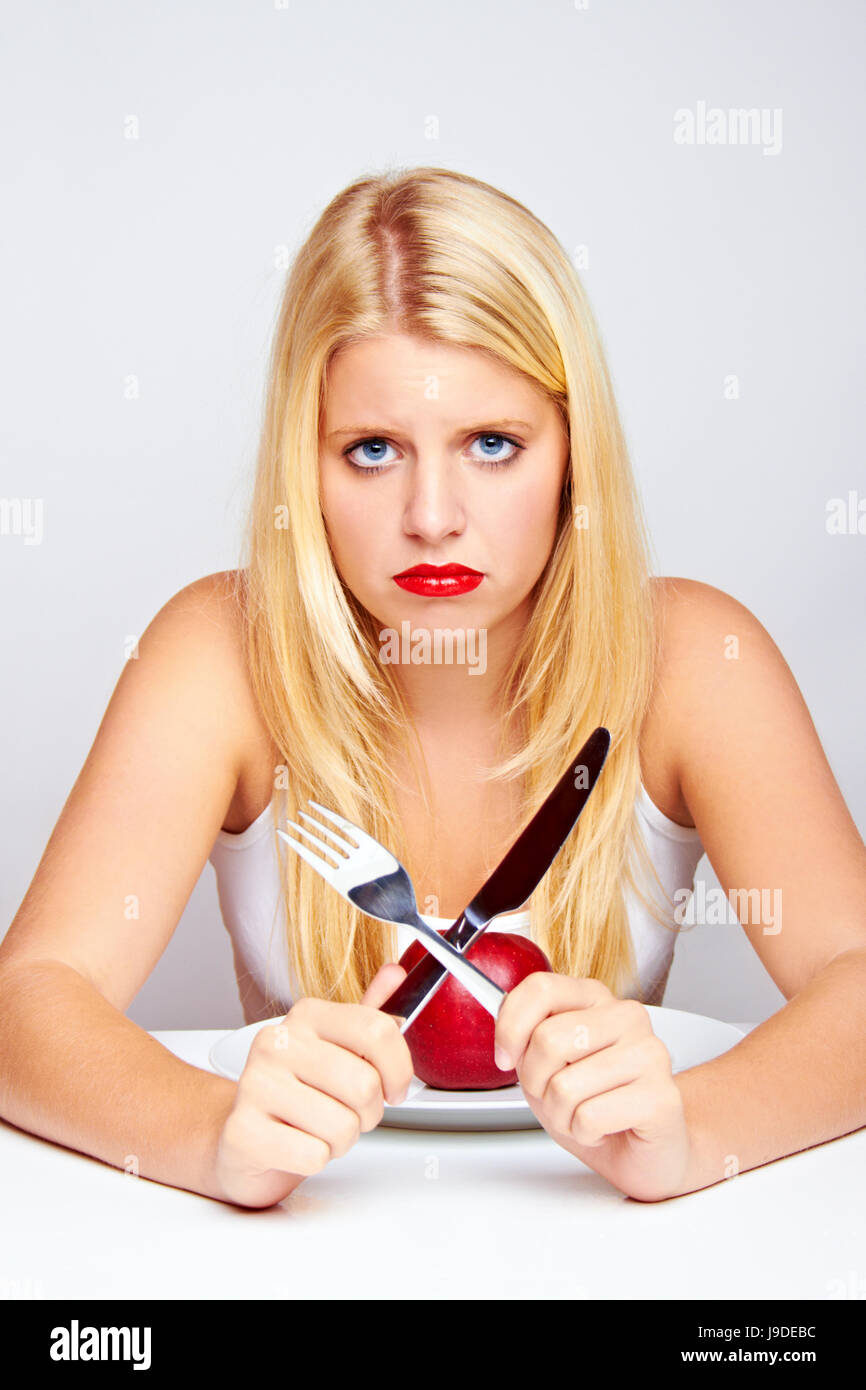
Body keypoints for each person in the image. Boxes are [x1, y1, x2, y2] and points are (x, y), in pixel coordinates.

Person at [1, 167, 864, 1210]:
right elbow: (27, 1000)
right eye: (371, 451)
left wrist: (696, 1138)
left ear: (570, 456)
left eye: (491, 445)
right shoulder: (219, 652)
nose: (432, 517)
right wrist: (209, 1137)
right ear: (301, 468)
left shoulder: (694, 658)